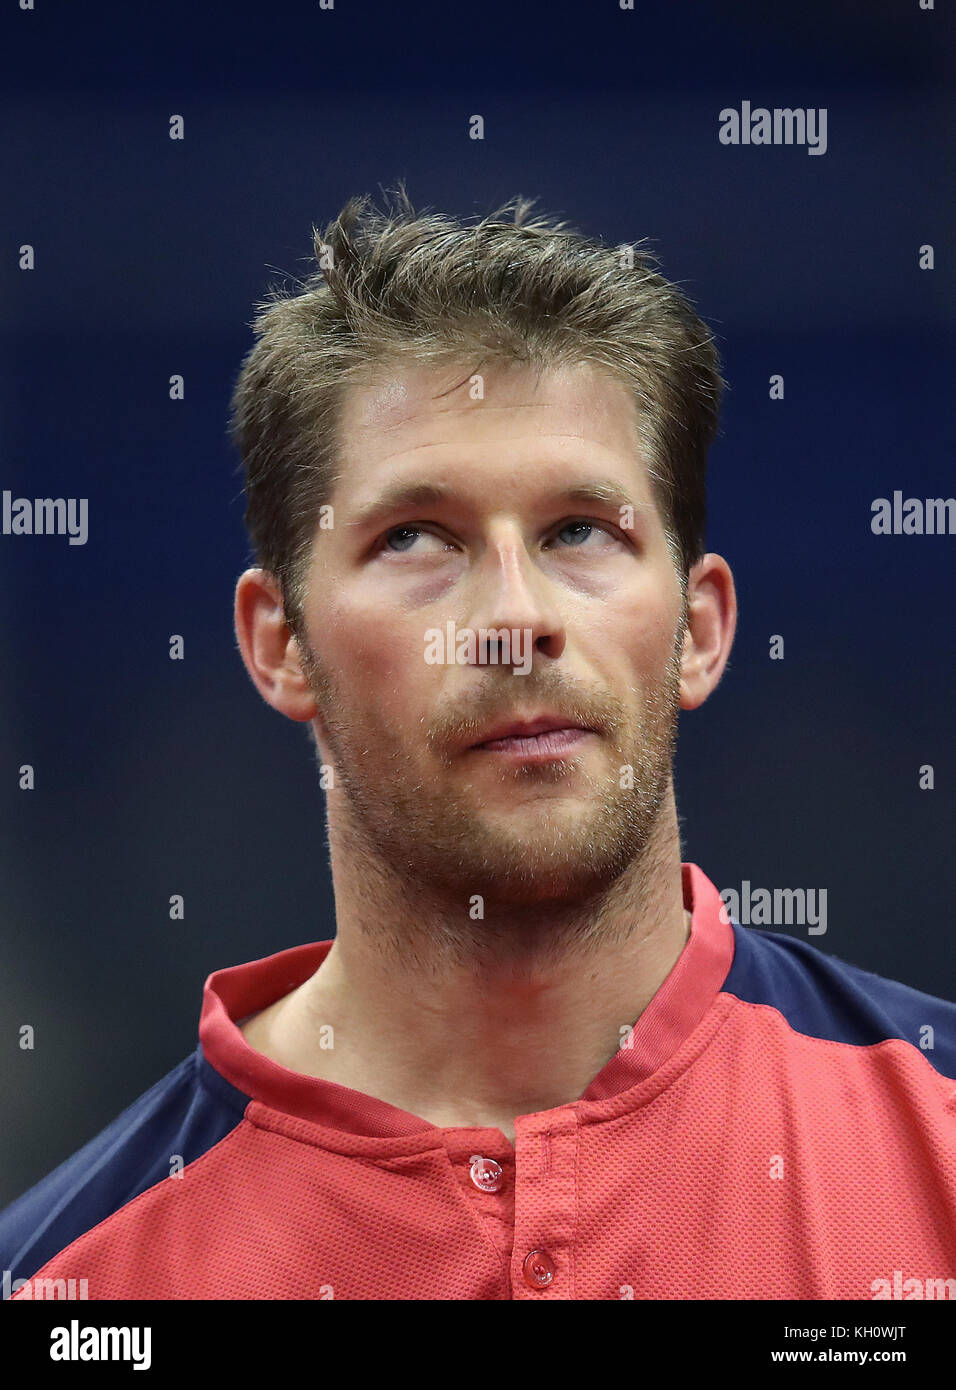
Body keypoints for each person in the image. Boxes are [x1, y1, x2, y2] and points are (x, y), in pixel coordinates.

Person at [3, 186, 955, 1301]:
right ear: (281, 645)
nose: (513, 616)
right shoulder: (73, 1290)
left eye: (578, 531)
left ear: (697, 630)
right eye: (416, 537)